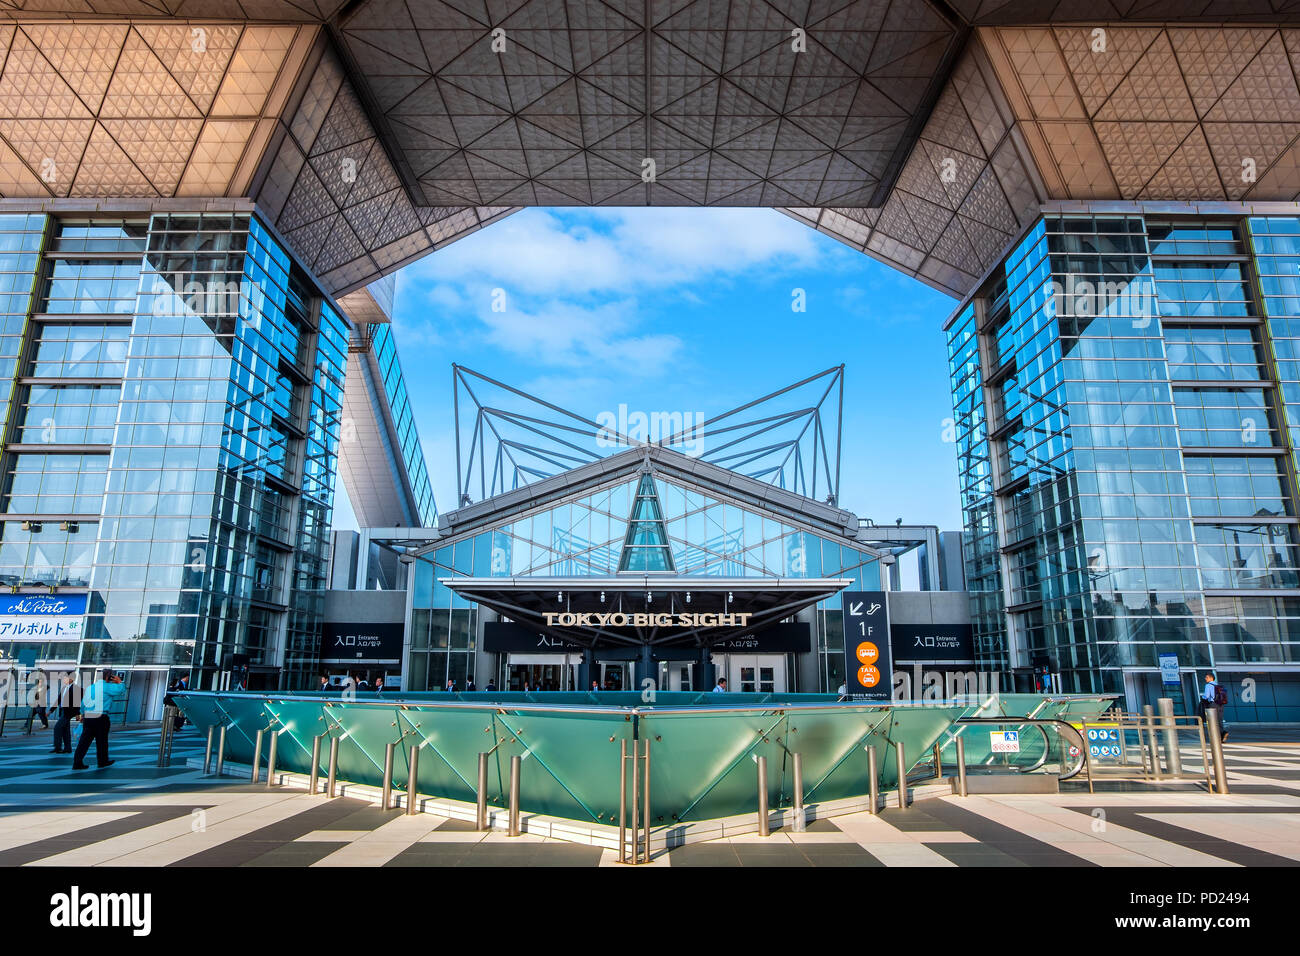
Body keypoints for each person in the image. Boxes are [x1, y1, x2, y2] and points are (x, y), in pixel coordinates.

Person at [72, 668, 125, 770]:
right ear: (108, 677)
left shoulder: (91, 687)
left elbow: (83, 703)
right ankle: (102, 761)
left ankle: (77, 762)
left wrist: (82, 714)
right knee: (102, 740)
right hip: (101, 717)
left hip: (88, 717)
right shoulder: (107, 686)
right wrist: (120, 682)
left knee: (84, 741)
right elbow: (120, 690)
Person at [51, 675, 78, 754]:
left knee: (57, 728)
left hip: (68, 712)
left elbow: (77, 702)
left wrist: (77, 714)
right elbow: (58, 700)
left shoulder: (75, 689)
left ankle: (58, 747)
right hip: (62, 711)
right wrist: (51, 711)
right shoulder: (64, 688)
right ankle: (67, 748)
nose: (64, 680)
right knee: (65, 730)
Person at [1200, 672, 1229, 742]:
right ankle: (1222, 734)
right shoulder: (1218, 685)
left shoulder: (1208, 685)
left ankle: (1216, 737)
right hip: (1221, 704)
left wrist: (1202, 698)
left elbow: (1206, 696)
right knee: (1219, 720)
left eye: (1206, 677)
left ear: (1211, 678)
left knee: (1212, 720)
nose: (1205, 678)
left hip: (1213, 704)